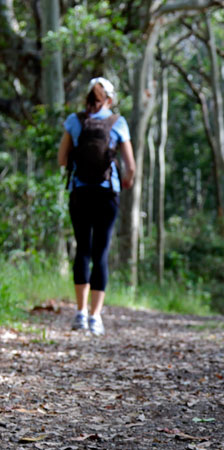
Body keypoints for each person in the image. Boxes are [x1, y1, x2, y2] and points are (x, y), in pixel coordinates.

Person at [57, 77, 135, 336]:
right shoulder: (118, 122)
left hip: (79, 192)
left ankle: (79, 313)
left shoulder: (74, 121)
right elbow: (130, 166)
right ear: (109, 100)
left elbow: (61, 158)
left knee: (83, 250)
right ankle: (95, 317)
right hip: (106, 194)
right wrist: (126, 179)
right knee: (101, 252)